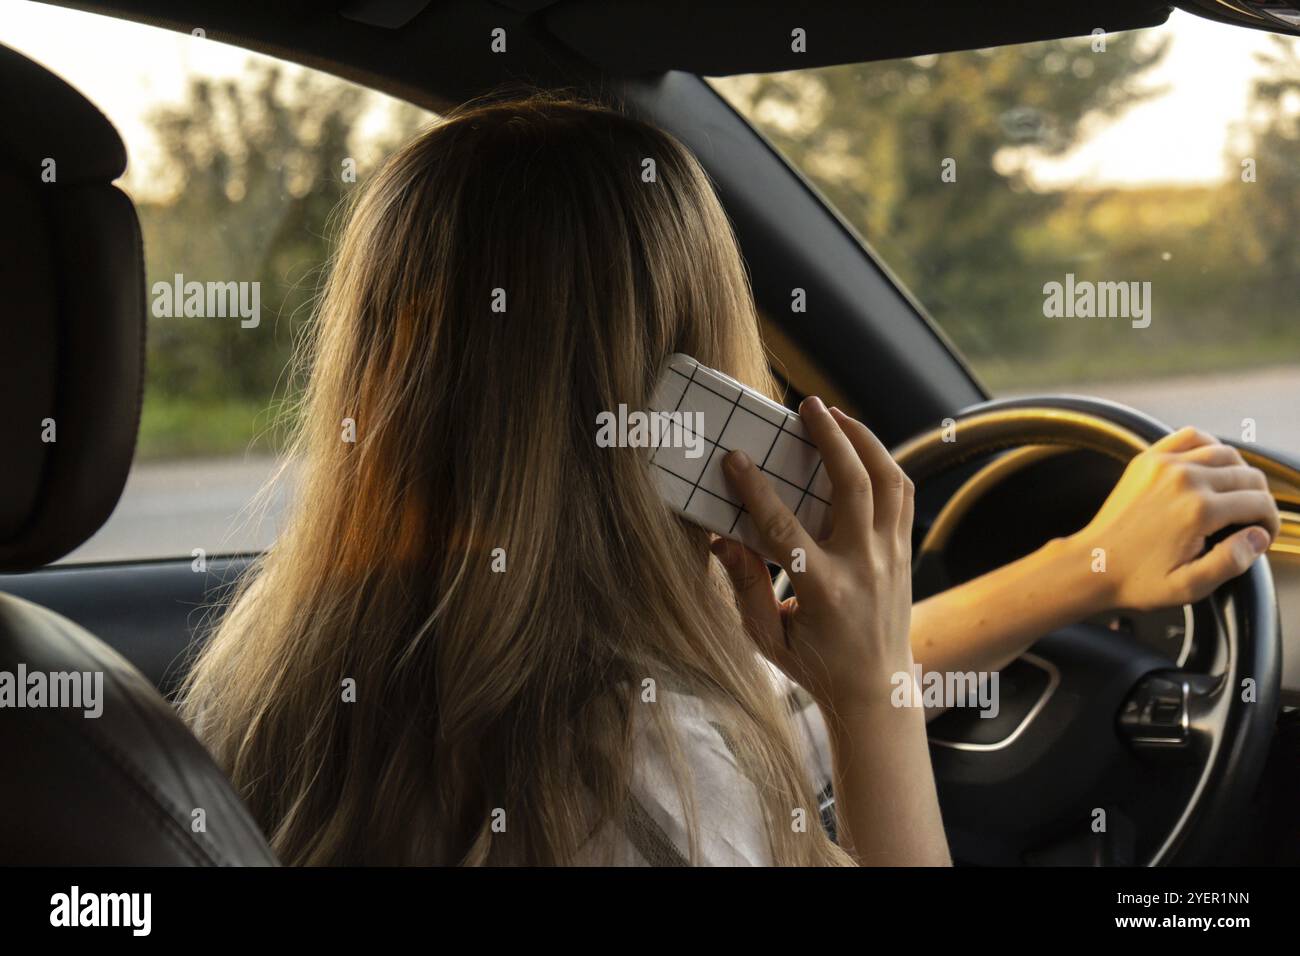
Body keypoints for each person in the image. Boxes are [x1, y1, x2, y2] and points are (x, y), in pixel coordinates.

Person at [178, 93, 1279, 866]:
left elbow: (782, 711)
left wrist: (1075, 571)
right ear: (678, 391)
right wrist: (876, 708)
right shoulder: (638, 765)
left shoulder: (273, 687)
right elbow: (761, 733)